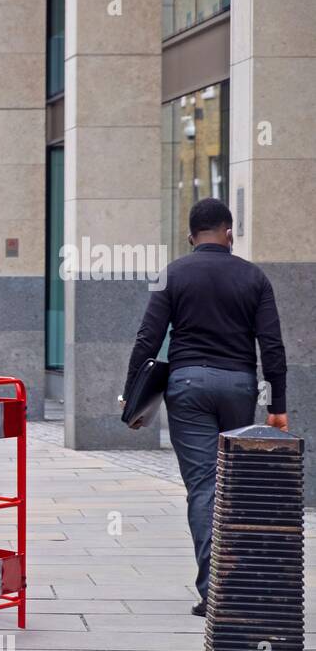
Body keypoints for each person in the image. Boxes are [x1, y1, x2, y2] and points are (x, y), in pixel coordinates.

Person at [123, 197, 288, 618]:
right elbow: (272, 345)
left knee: (204, 486)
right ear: (228, 232)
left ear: (191, 235)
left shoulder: (173, 274)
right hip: (239, 387)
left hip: (188, 385)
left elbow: (147, 338)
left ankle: (213, 590)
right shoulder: (254, 277)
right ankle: (238, 583)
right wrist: (278, 406)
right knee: (234, 485)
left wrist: (132, 402)